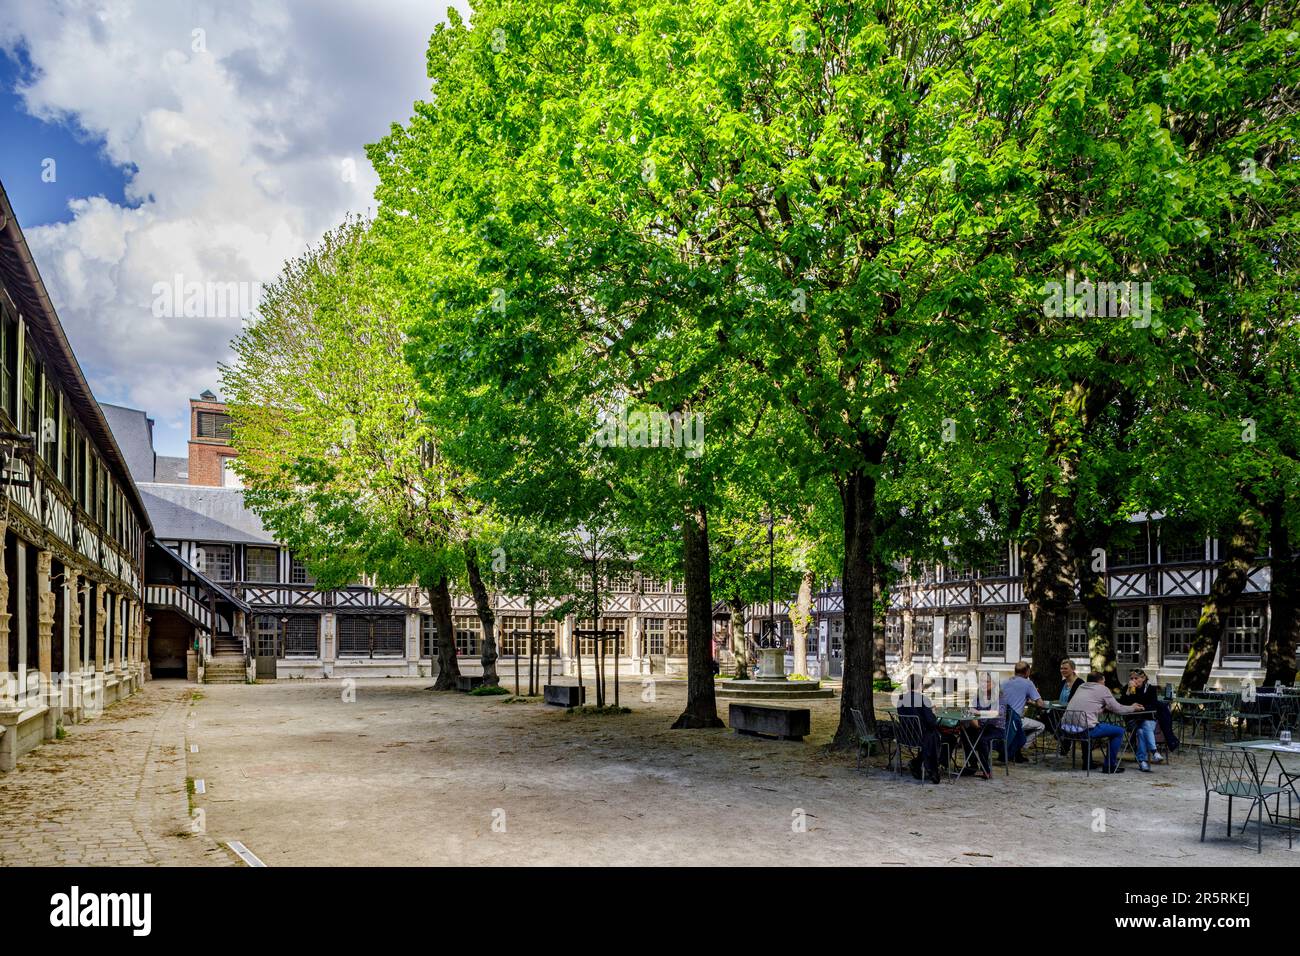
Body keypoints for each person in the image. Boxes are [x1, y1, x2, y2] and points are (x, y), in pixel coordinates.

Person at [1061, 671, 1142, 773]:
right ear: (1100, 681)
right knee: (1119, 731)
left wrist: (1100, 708)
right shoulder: (1102, 689)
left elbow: (1087, 704)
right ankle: (1109, 766)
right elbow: (1118, 709)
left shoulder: (1081, 687)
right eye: (1104, 681)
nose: (1105, 683)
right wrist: (1133, 708)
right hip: (1084, 731)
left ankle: (1087, 763)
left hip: (1066, 730)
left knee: (1084, 723)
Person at [895, 674, 943, 784]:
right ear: (920, 685)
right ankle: (931, 768)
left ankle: (918, 764)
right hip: (920, 737)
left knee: (933, 736)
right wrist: (933, 713)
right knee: (936, 736)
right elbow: (931, 722)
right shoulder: (923, 699)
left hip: (905, 736)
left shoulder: (901, 699)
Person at [999, 661, 1047, 762]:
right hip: (1016, 719)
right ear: (1027, 672)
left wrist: (1026, 700)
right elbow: (1041, 704)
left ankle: (1011, 750)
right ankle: (1019, 748)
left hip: (1002, 719)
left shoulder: (1004, 681)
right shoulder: (1028, 683)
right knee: (1041, 726)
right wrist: (1032, 702)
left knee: (1023, 725)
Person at [1119, 668, 1161, 772]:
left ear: (1143, 678)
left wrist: (1143, 708)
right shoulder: (1127, 688)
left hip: (1149, 719)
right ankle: (1154, 751)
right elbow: (1122, 704)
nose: (1133, 680)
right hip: (1132, 721)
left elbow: (1154, 705)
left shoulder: (1150, 689)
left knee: (1143, 728)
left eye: (1136, 678)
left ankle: (1142, 761)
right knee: (1142, 729)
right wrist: (1129, 691)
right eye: (1131, 678)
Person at [1057, 659, 1085, 754]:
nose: (1063, 670)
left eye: (1065, 668)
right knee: (1045, 717)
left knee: (1055, 720)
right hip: (1060, 711)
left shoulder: (1080, 683)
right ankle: (1064, 740)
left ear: (1073, 669)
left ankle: (1065, 742)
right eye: (1061, 668)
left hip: (1074, 713)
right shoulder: (1062, 683)